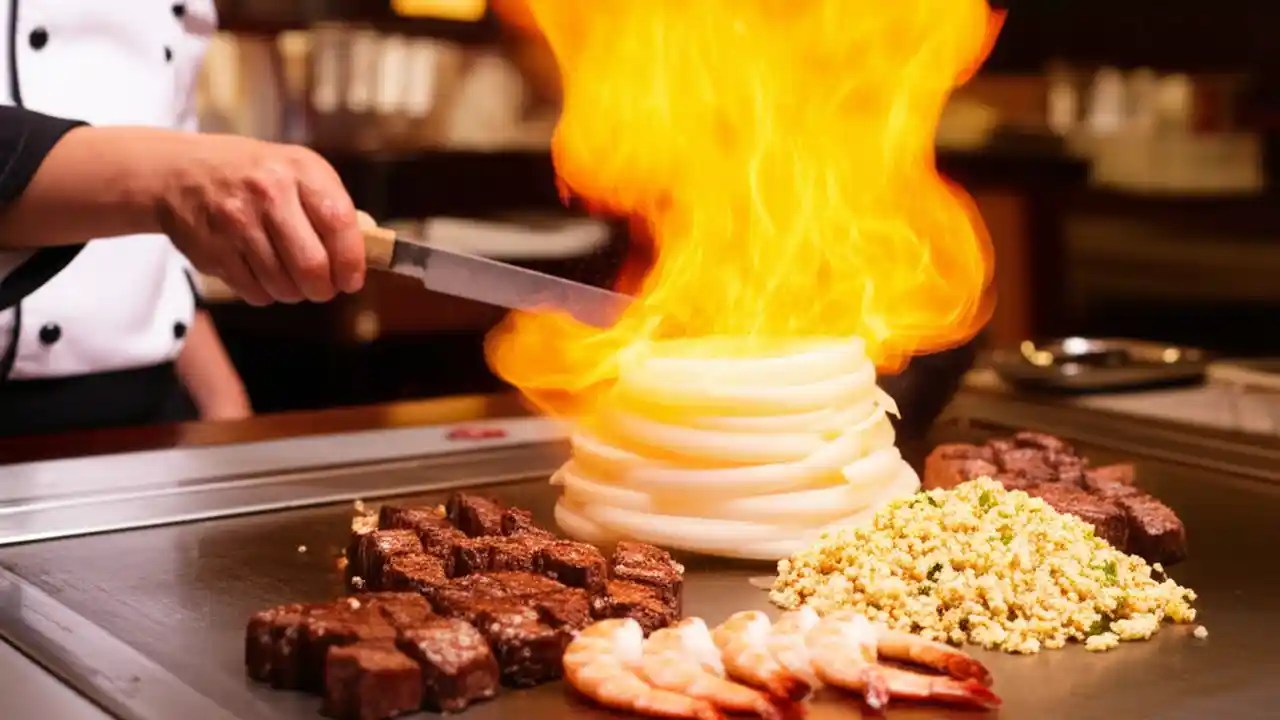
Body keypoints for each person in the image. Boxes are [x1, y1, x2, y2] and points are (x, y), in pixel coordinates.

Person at [0, 2, 365, 437]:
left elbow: (160, 245)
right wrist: (178, 178)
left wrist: (223, 401)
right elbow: (168, 185)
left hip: (156, 415)